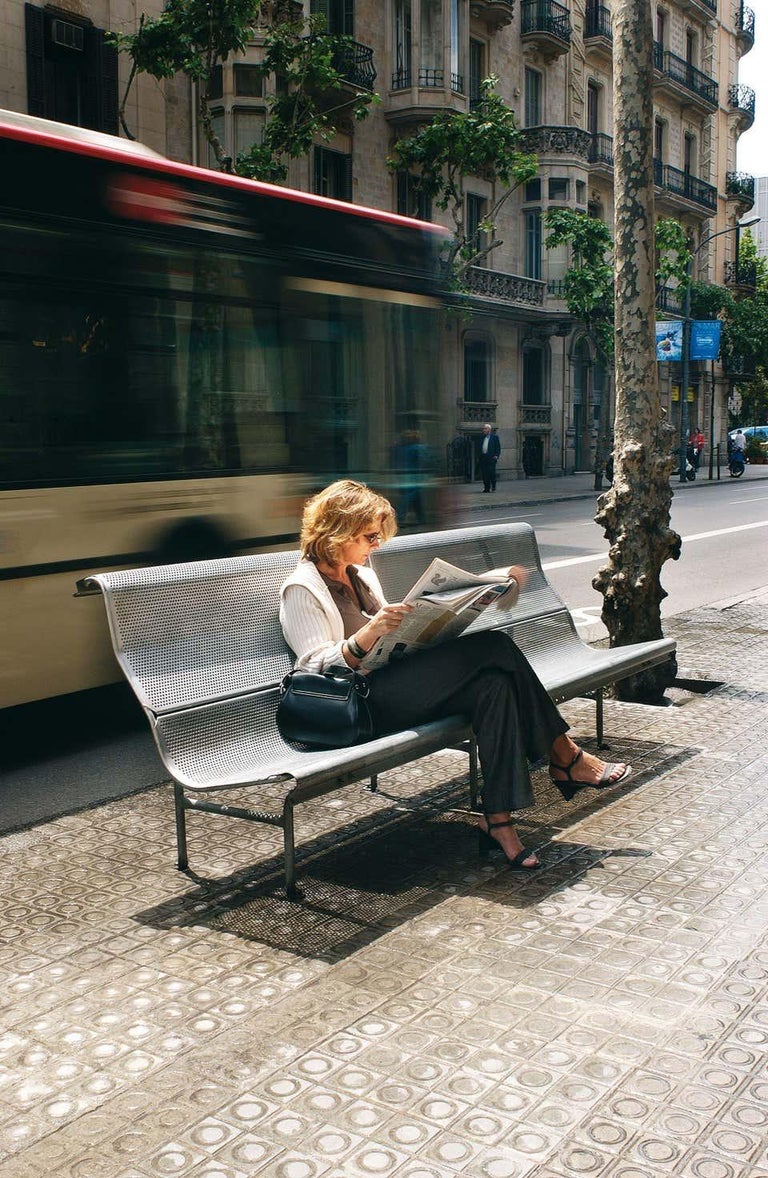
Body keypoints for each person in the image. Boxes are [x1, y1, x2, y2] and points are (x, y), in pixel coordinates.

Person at [280, 480, 630, 871]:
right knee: (494, 647)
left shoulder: (360, 575)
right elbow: (311, 668)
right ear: (337, 530)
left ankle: (499, 822)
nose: (376, 544)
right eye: (368, 536)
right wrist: (369, 634)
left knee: (493, 686)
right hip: (358, 707)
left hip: (391, 687)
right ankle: (565, 756)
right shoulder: (302, 588)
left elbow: (390, 643)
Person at [479, 423, 501, 493]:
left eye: (485, 428)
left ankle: (493, 486)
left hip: (491, 458)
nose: (484, 430)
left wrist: (496, 455)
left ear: (489, 429)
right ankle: (486, 488)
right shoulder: (482, 437)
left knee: (491, 473)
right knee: (485, 474)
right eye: (483, 428)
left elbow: (498, 447)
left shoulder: (494, 437)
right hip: (484, 458)